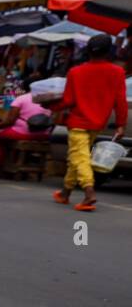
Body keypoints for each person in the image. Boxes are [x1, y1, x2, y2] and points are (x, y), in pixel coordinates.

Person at [52, 33, 127, 211]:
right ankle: (65, 192)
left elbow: (68, 101)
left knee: (80, 157)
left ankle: (89, 192)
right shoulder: (117, 72)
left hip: (78, 121)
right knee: (78, 156)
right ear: (109, 51)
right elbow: (120, 102)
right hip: (97, 122)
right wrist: (120, 124)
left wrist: (51, 105)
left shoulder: (75, 72)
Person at [0, 87, 58, 170]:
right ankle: (18, 162)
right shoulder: (48, 99)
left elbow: (10, 121)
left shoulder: (21, 98)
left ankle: (1, 165)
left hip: (23, 133)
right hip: (44, 134)